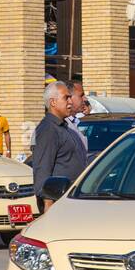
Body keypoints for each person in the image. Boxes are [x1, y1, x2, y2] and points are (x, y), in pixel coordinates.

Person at [31, 81, 88, 210]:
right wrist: (47, 203)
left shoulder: (66, 127)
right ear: (53, 102)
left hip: (73, 200)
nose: (70, 102)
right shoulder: (48, 130)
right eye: (66, 98)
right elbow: (43, 168)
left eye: (70, 97)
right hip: (58, 203)